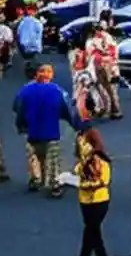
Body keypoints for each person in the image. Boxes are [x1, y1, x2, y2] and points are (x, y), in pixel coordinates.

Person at [14, 64, 81, 198]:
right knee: (53, 159)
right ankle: (54, 184)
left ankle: (36, 179)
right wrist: (78, 126)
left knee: (34, 157)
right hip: (51, 132)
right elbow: (68, 110)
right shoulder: (57, 90)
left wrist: (21, 126)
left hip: (32, 131)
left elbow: (17, 108)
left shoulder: (25, 90)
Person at [68, 128, 115, 256]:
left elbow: (104, 181)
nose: (80, 146)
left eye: (83, 142)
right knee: (94, 233)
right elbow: (77, 171)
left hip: (99, 201)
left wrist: (83, 183)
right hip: (85, 201)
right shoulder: (83, 161)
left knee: (89, 233)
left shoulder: (100, 161)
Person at [86, 23, 122, 119]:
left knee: (102, 88)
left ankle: (107, 108)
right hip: (112, 66)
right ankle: (115, 110)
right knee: (112, 89)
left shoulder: (91, 41)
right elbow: (115, 52)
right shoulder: (109, 38)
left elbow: (90, 55)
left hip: (100, 65)